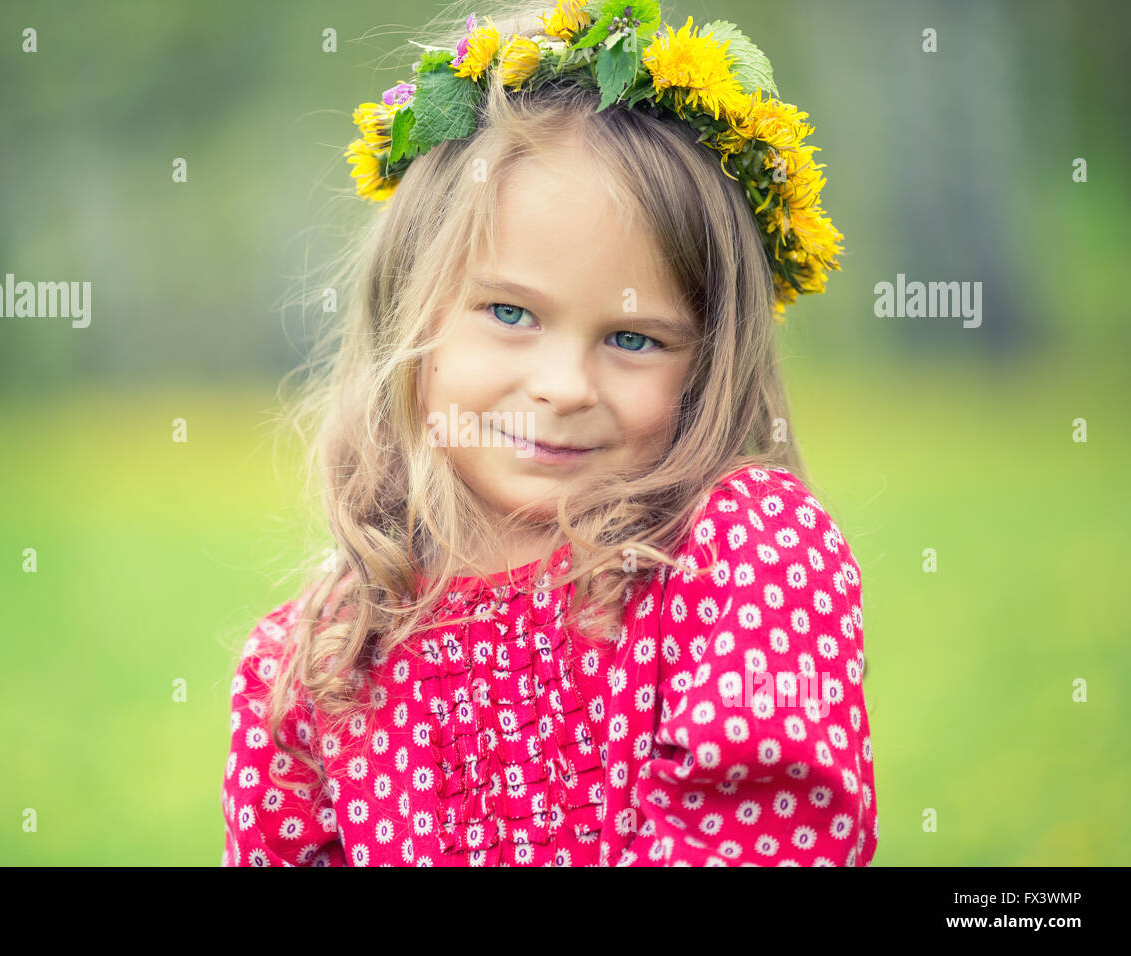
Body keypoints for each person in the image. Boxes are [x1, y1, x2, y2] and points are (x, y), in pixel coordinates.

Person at [220, 0, 874, 866]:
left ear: (710, 363)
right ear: (409, 312)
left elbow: (768, 831)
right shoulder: (315, 665)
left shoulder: (734, 554)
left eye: (634, 338)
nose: (564, 387)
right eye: (511, 312)